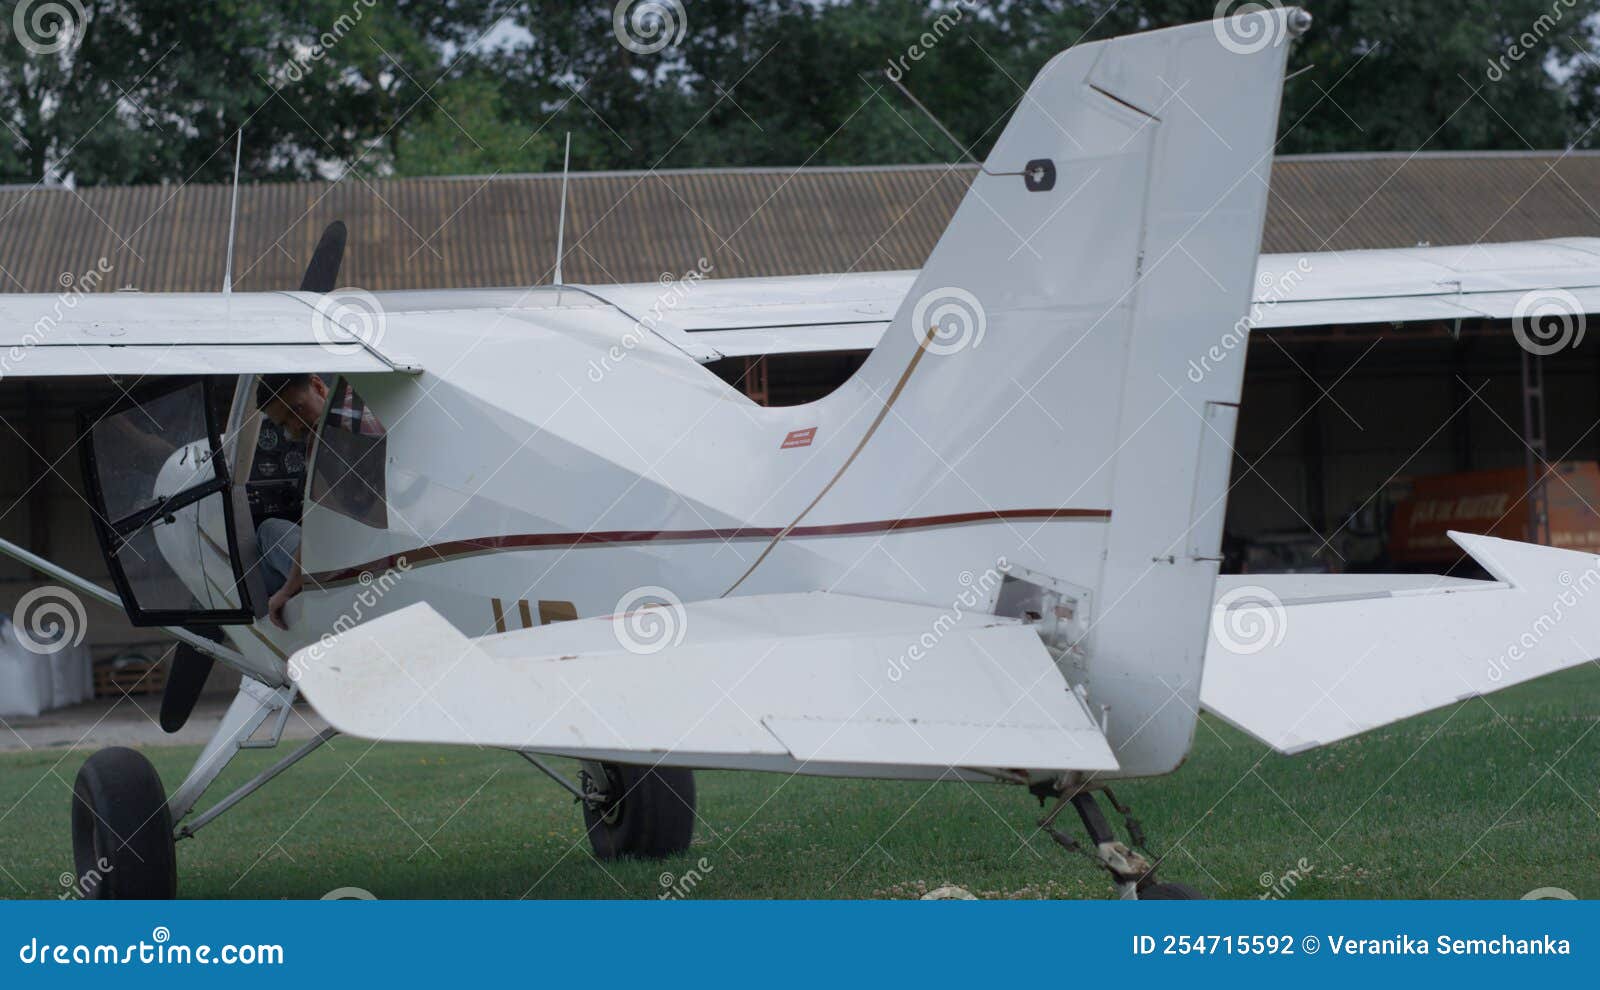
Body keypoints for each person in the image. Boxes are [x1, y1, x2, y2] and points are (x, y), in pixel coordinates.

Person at [254, 373, 330, 629]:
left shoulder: (324, 439)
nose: (295, 426)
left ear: (317, 385)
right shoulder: (363, 406)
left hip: (340, 563)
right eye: (284, 423)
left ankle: (272, 619)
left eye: (296, 409)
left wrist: (288, 589)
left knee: (267, 530)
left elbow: (317, 530)